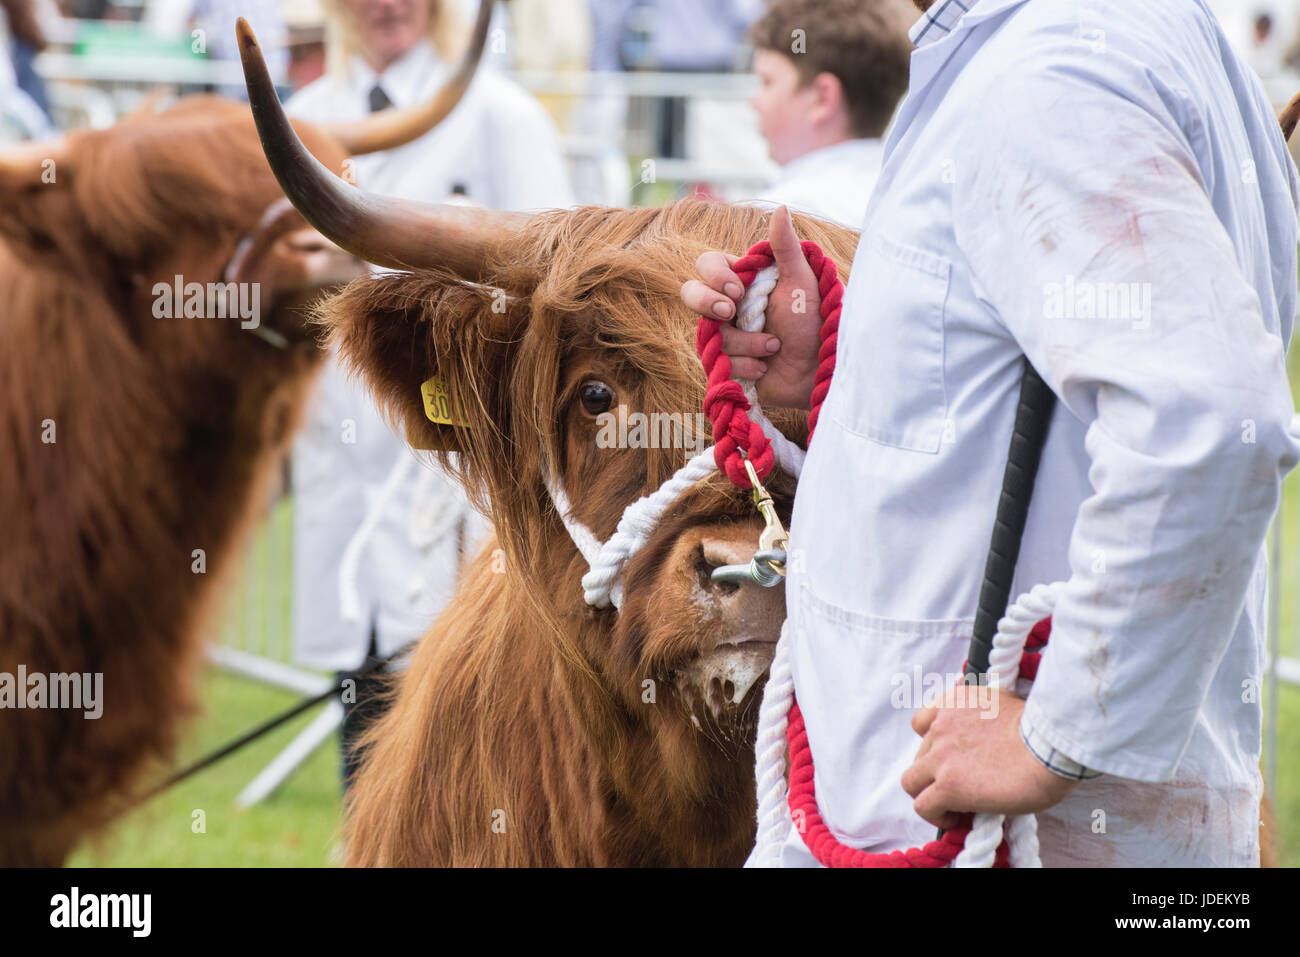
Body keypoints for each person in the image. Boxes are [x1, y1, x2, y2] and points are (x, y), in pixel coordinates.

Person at [682, 0, 1300, 866]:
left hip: (1012, 839)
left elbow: (1209, 418)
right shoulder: (1081, 44)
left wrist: (1060, 734)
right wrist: (844, 370)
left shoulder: (1049, 73)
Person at [286, 0, 574, 791]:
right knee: (364, 744)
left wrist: (373, 281)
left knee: (472, 754)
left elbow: (556, 295)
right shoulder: (298, 121)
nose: (390, 5)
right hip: (344, 476)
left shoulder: (500, 116)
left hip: (456, 482)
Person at [747, 0, 912, 227]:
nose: (754, 101)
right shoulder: (907, 197)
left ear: (822, 98)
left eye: (767, 82)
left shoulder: (777, 216)